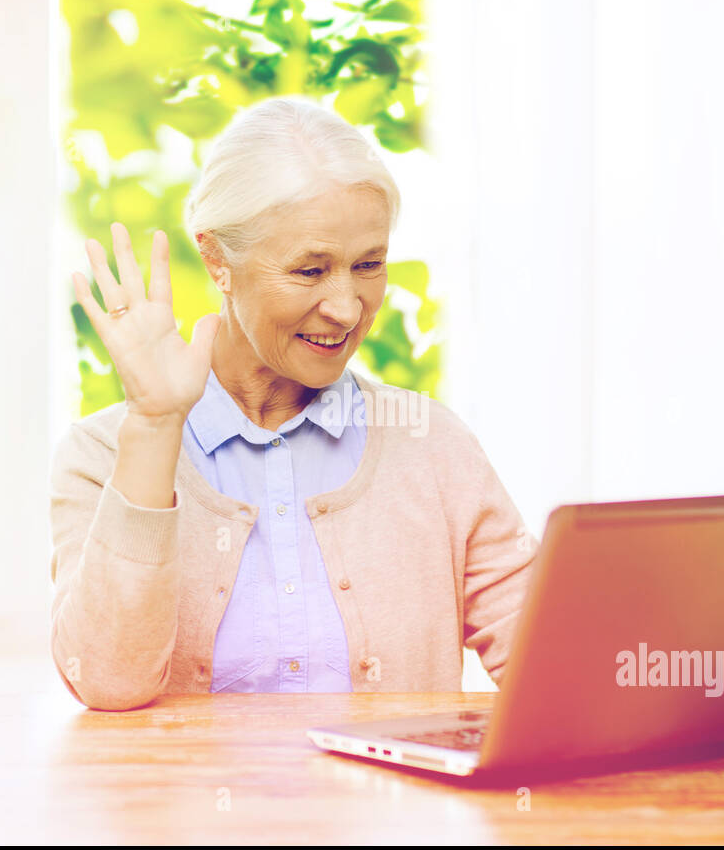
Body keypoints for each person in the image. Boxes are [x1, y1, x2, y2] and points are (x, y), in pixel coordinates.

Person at [50, 97, 535, 710]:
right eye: (310, 270)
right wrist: (153, 425)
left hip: (393, 809)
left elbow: (560, 670)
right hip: (183, 809)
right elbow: (108, 683)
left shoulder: (432, 446)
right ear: (217, 259)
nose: (347, 307)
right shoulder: (97, 455)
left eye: (369, 265)